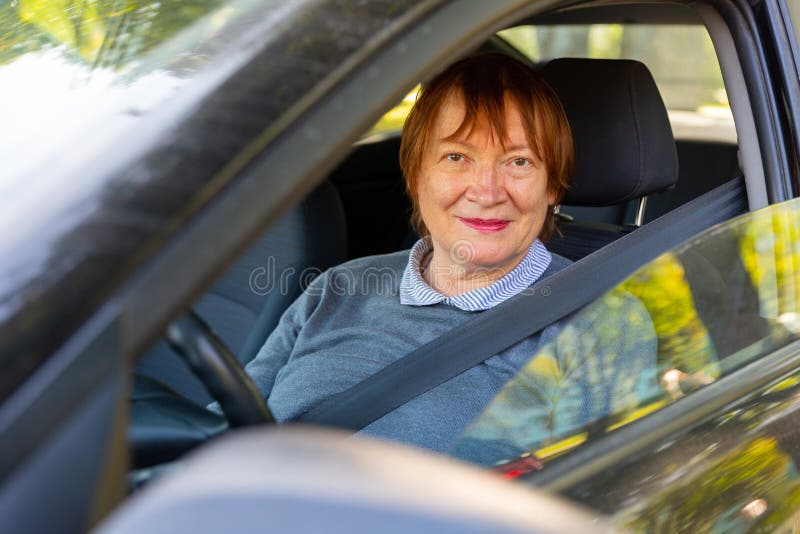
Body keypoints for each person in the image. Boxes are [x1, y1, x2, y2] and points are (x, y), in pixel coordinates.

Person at [242, 53, 656, 464]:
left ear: (552, 187)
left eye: (519, 161)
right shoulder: (338, 287)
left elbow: (597, 497)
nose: (487, 191)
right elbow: (227, 429)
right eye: (457, 157)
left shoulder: (601, 322)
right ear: (416, 176)